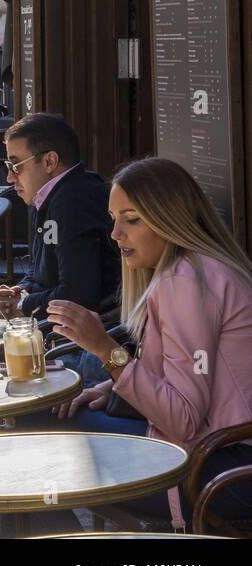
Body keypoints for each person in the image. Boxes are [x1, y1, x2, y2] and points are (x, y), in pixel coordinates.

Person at [26, 157, 252, 532]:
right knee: (43, 423)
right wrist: (112, 386)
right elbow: (197, 377)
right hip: (220, 457)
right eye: (114, 218)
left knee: (33, 436)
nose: (115, 234)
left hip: (219, 472)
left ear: (170, 220)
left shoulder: (186, 281)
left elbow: (182, 418)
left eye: (131, 219)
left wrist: (106, 351)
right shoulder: (200, 268)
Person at [0, 112, 119, 384]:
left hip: (91, 348)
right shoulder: (52, 196)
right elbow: (40, 271)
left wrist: (24, 303)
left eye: (16, 166)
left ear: (49, 161)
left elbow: (78, 296)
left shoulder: (72, 201)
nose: (10, 177)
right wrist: (20, 290)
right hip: (65, 336)